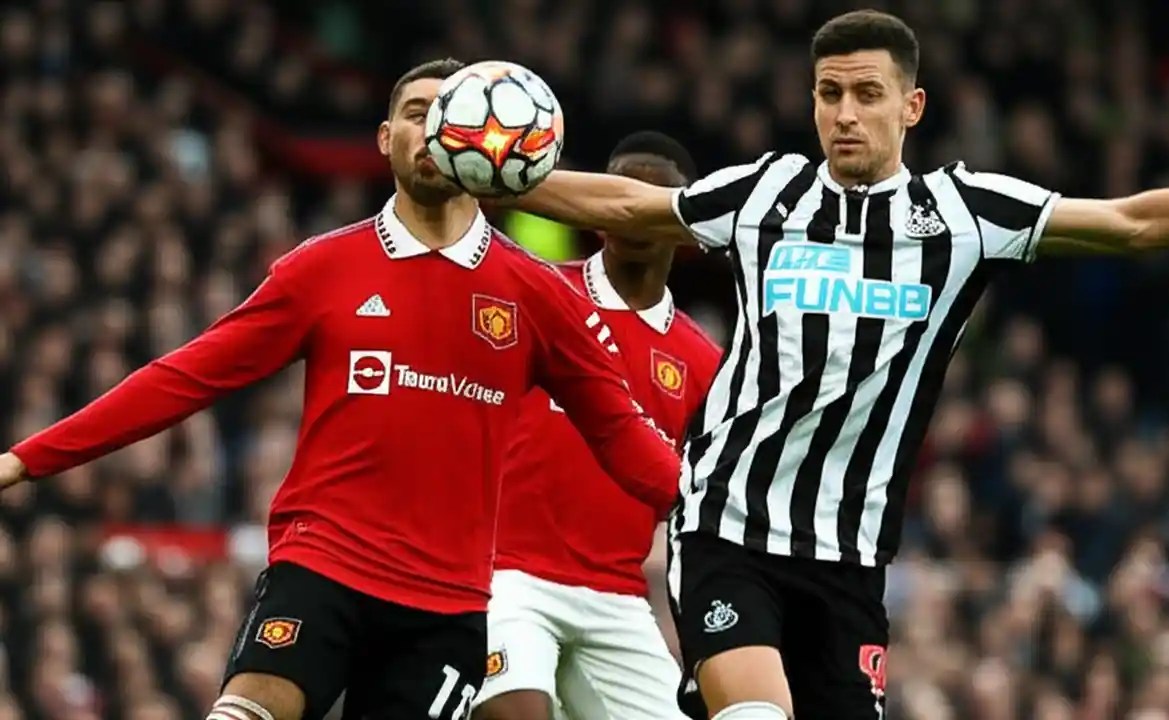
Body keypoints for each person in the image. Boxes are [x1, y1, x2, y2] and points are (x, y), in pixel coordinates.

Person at [507, 10, 1169, 720]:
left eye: (867, 94)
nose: (845, 113)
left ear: (911, 106)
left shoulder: (964, 216)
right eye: (829, 93)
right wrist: (491, 171)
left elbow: (1130, 222)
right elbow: (626, 206)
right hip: (729, 527)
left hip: (850, 556)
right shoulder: (767, 195)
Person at [0, 58, 680, 720]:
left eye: (451, 114)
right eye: (417, 113)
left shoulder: (534, 292)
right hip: (322, 564)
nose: (435, 129)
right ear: (386, 139)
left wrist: (705, 504)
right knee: (251, 708)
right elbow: (185, 377)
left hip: (448, 603)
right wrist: (28, 459)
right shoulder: (324, 268)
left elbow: (619, 429)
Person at [472, 132, 720, 720]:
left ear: (683, 225)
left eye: (650, 198)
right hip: (508, 574)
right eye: (617, 191)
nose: (628, 209)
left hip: (617, 596)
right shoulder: (538, 295)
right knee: (515, 711)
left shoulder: (704, 361)